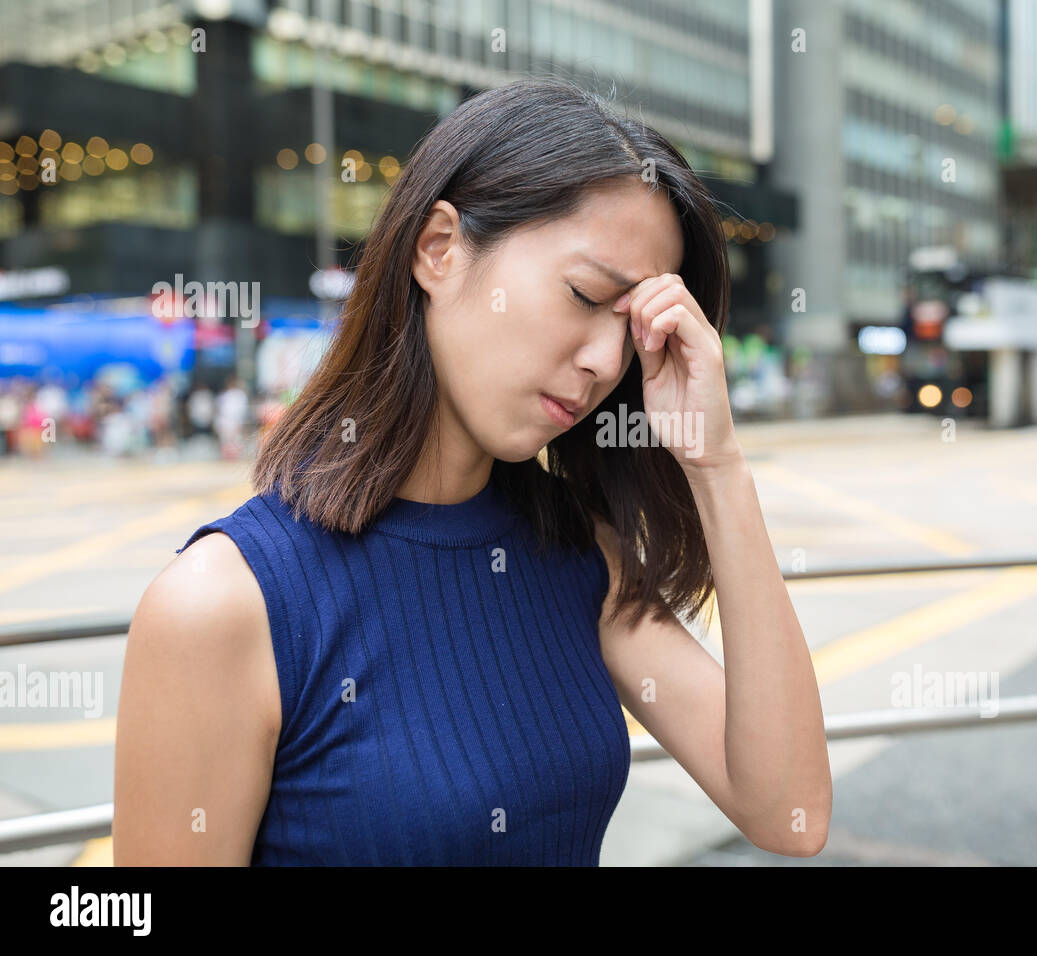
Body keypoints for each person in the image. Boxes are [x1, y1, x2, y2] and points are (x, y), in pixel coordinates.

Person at [114, 78, 831, 866]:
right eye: (584, 295)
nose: (606, 361)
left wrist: (716, 464)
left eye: (631, 328)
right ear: (439, 249)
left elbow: (789, 815)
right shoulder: (222, 605)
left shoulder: (576, 552)